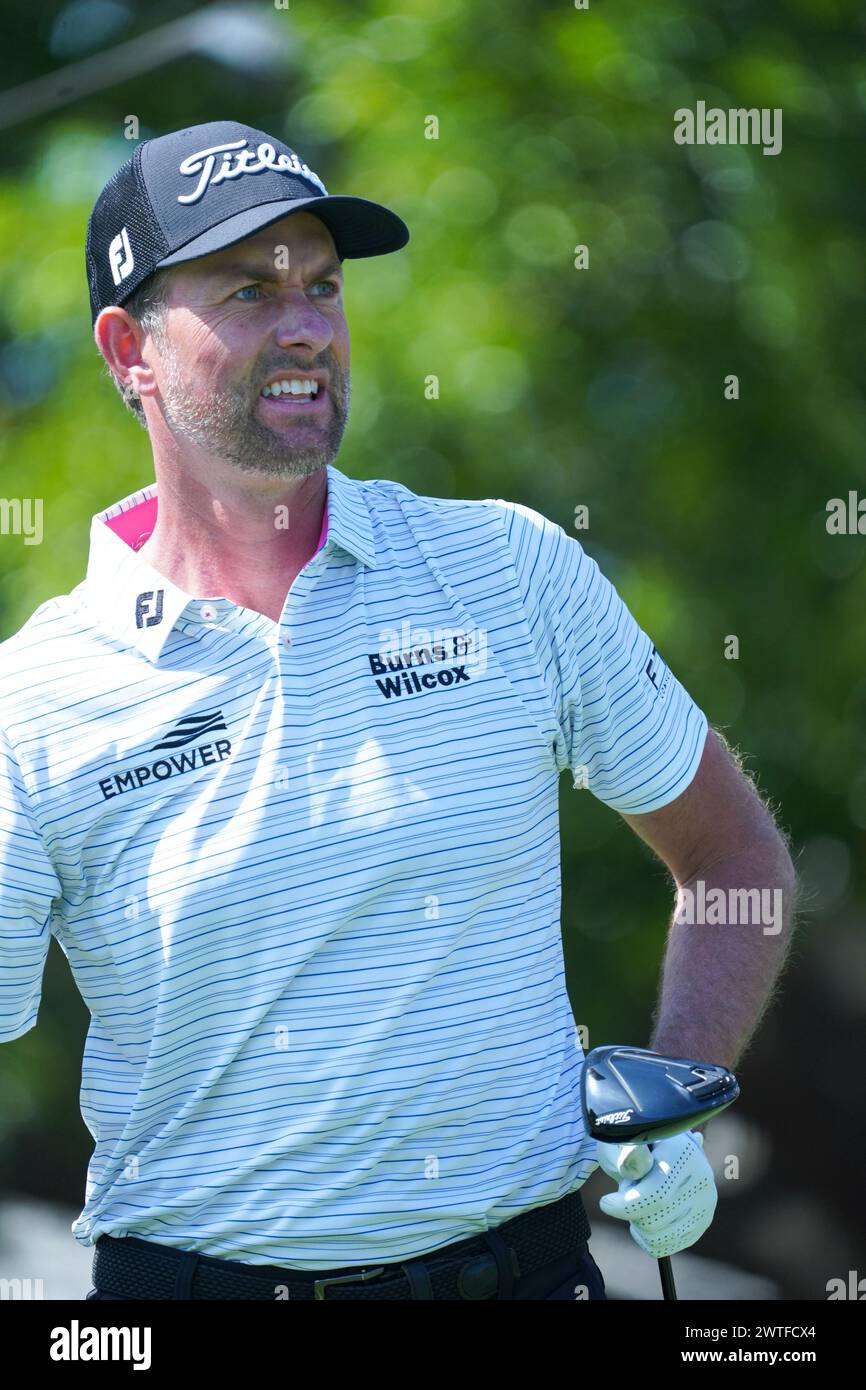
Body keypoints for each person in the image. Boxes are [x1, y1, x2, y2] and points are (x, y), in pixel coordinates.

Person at [0, 121, 796, 1301]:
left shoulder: (509, 571)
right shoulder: (36, 699)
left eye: (320, 284)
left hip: (520, 1276)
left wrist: (675, 1102)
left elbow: (735, 860)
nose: (307, 323)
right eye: (246, 290)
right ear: (131, 352)